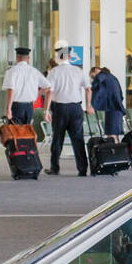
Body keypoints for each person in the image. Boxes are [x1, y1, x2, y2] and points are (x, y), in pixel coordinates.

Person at [46, 40, 93, 176]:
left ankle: (55, 168)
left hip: (59, 108)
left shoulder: (54, 72)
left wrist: (46, 110)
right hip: (75, 108)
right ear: (70, 57)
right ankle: (82, 169)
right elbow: (88, 89)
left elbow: (49, 91)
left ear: (58, 58)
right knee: (78, 139)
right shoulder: (78, 71)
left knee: (57, 139)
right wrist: (88, 106)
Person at [3, 46, 50, 125]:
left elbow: (11, 90)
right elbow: (48, 86)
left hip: (16, 106)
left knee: (15, 133)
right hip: (29, 107)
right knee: (27, 132)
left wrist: (8, 109)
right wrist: (36, 95)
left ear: (17, 58)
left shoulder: (11, 71)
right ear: (28, 58)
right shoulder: (34, 71)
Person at [90, 65, 126, 136]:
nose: (94, 78)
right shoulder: (111, 77)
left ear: (96, 70)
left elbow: (97, 90)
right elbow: (121, 95)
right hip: (118, 109)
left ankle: (113, 147)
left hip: (112, 108)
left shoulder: (101, 76)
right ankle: (116, 147)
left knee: (111, 135)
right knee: (115, 135)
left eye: (93, 76)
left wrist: (92, 105)